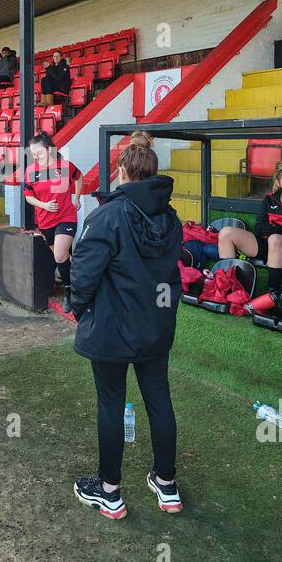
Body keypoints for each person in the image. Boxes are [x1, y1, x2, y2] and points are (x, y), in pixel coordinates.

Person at [68, 131, 183, 519]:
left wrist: (77, 308)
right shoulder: (170, 217)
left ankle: (109, 491)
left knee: (112, 404)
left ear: (121, 171)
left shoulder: (108, 214)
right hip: (155, 326)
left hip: (113, 329)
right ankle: (166, 484)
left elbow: (83, 273)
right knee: (158, 398)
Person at [216, 161, 282, 300]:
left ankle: (272, 294)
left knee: (275, 238)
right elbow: (259, 227)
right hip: (268, 245)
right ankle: (227, 286)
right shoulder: (269, 199)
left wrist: (279, 230)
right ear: (278, 183)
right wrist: (270, 230)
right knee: (226, 233)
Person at [23, 132, 81, 303]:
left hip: (66, 216)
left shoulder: (64, 166)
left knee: (59, 255)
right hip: (45, 221)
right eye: (33, 154)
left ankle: (69, 294)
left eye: (39, 153)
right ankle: (78, 280)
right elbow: (28, 196)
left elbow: (79, 177)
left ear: (49, 150)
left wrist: (76, 197)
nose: (36, 157)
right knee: (63, 257)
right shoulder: (31, 171)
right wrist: (44, 205)